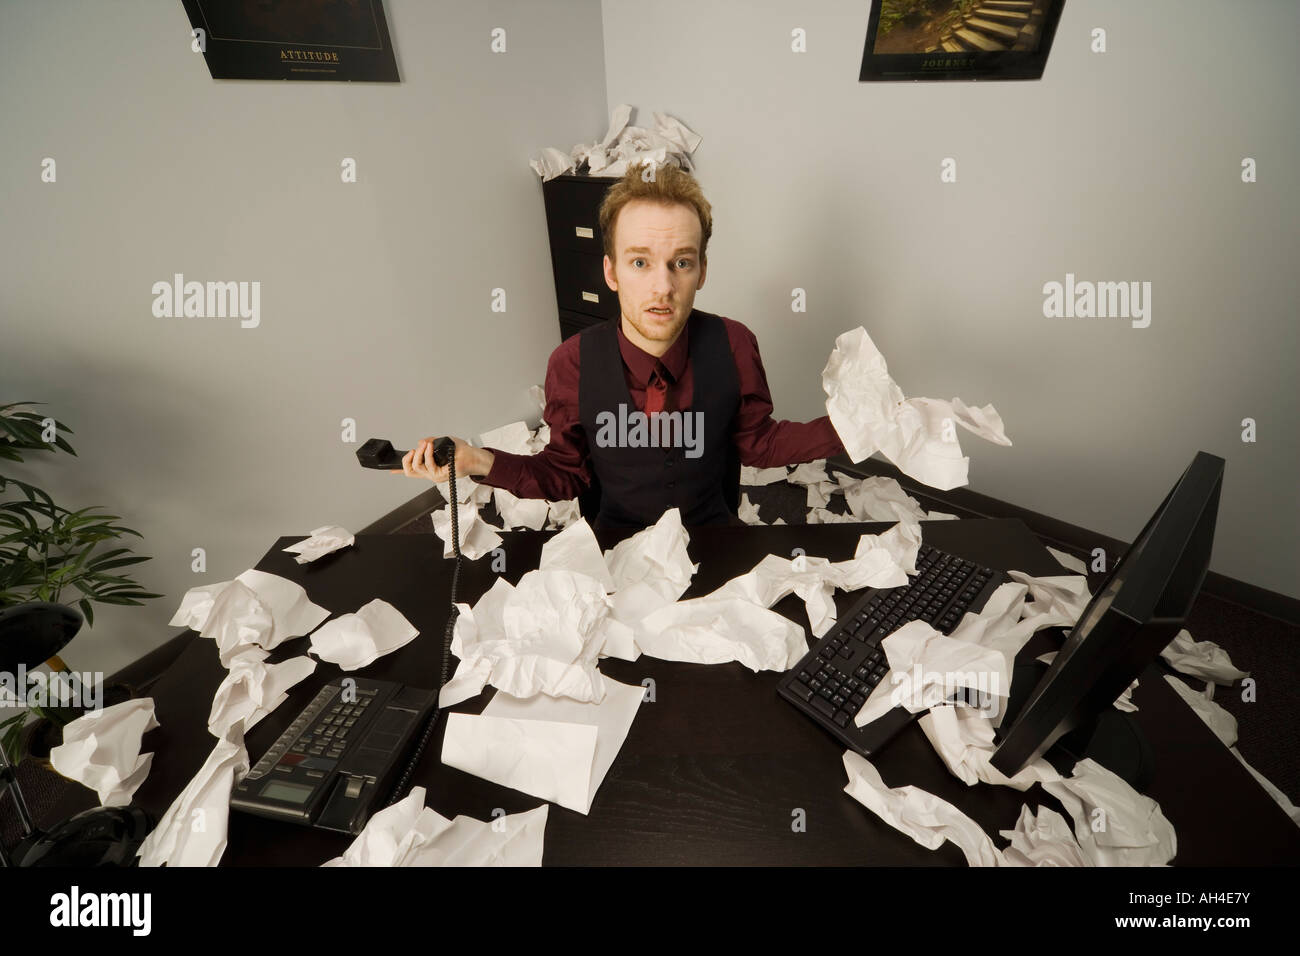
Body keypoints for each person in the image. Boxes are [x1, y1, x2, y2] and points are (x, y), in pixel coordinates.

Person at [394, 161, 844, 527]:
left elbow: (760, 443)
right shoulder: (572, 364)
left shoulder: (734, 344)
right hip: (616, 552)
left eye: (681, 262)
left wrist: (858, 426)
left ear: (702, 271)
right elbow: (563, 473)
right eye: (640, 262)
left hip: (714, 539)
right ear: (611, 272)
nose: (662, 286)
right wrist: (478, 460)